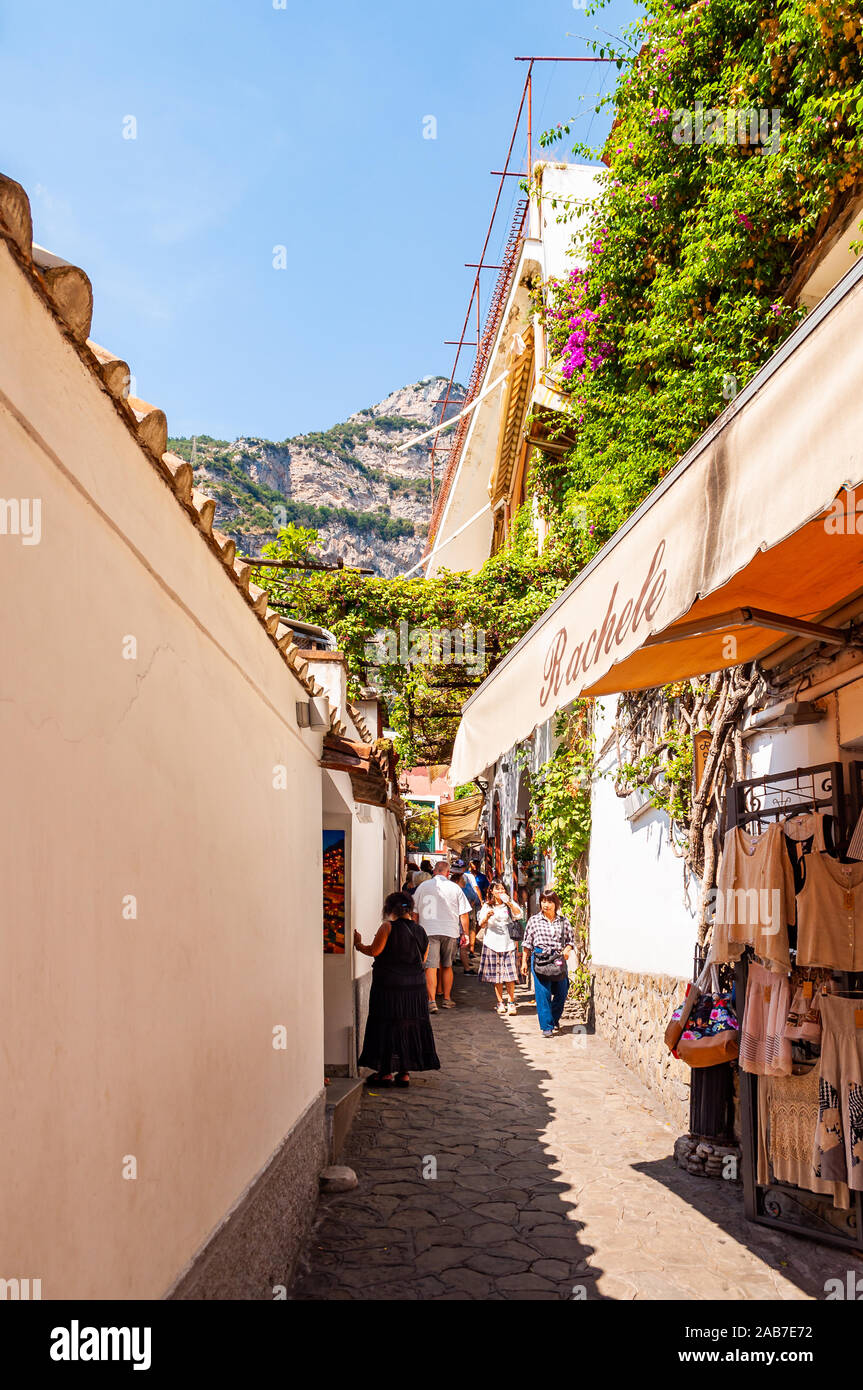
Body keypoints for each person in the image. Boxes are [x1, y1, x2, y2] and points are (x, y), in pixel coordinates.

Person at [355, 891, 440, 1087]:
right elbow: (424, 959)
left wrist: (358, 944)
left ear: (390, 909)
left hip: (389, 987)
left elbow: (374, 951)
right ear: (410, 909)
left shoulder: (387, 927)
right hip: (415, 988)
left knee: (387, 1025)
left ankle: (384, 1072)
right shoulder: (421, 931)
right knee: (408, 1026)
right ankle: (404, 1072)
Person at [412, 862, 471, 1012]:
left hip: (428, 931)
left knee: (430, 966)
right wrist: (465, 933)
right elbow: (463, 914)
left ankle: (431, 1001)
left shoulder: (423, 887)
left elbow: (415, 913)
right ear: (447, 872)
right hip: (449, 931)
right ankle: (447, 998)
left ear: (434, 871)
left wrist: (415, 930)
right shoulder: (455, 888)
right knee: (447, 966)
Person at [521, 890, 575, 1038]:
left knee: (562, 990)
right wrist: (524, 961)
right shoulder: (534, 920)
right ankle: (547, 1026)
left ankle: (553, 1019)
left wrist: (567, 950)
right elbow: (527, 942)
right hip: (540, 958)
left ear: (555, 904)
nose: (546, 905)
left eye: (550, 901)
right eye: (543, 901)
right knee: (543, 993)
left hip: (558, 959)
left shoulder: (564, 922)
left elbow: (570, 941)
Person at [476, 878, 523, 1015]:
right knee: (496, 977)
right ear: (492, 891)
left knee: (510, 975)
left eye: (502, 889)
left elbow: (519, 915)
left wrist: (509, 902)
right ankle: (500, 1002)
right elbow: (482, 924)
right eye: (497, 889)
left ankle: (512, 1002)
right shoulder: (487, 906)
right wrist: (487, 917)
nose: (500, 891)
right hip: (492, 943)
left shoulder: (509, 904)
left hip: (508, 943)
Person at [451, 870, 480, 974]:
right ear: (457, 881)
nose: (465, 882)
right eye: (462, 880)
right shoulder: (459, 891)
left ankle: (462, 965)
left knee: (458, 947)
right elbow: (465, 912)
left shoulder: (458, 890)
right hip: (457, 924)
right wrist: (466, 932)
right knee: (462, 946)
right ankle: (466, 968)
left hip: (454, 924)